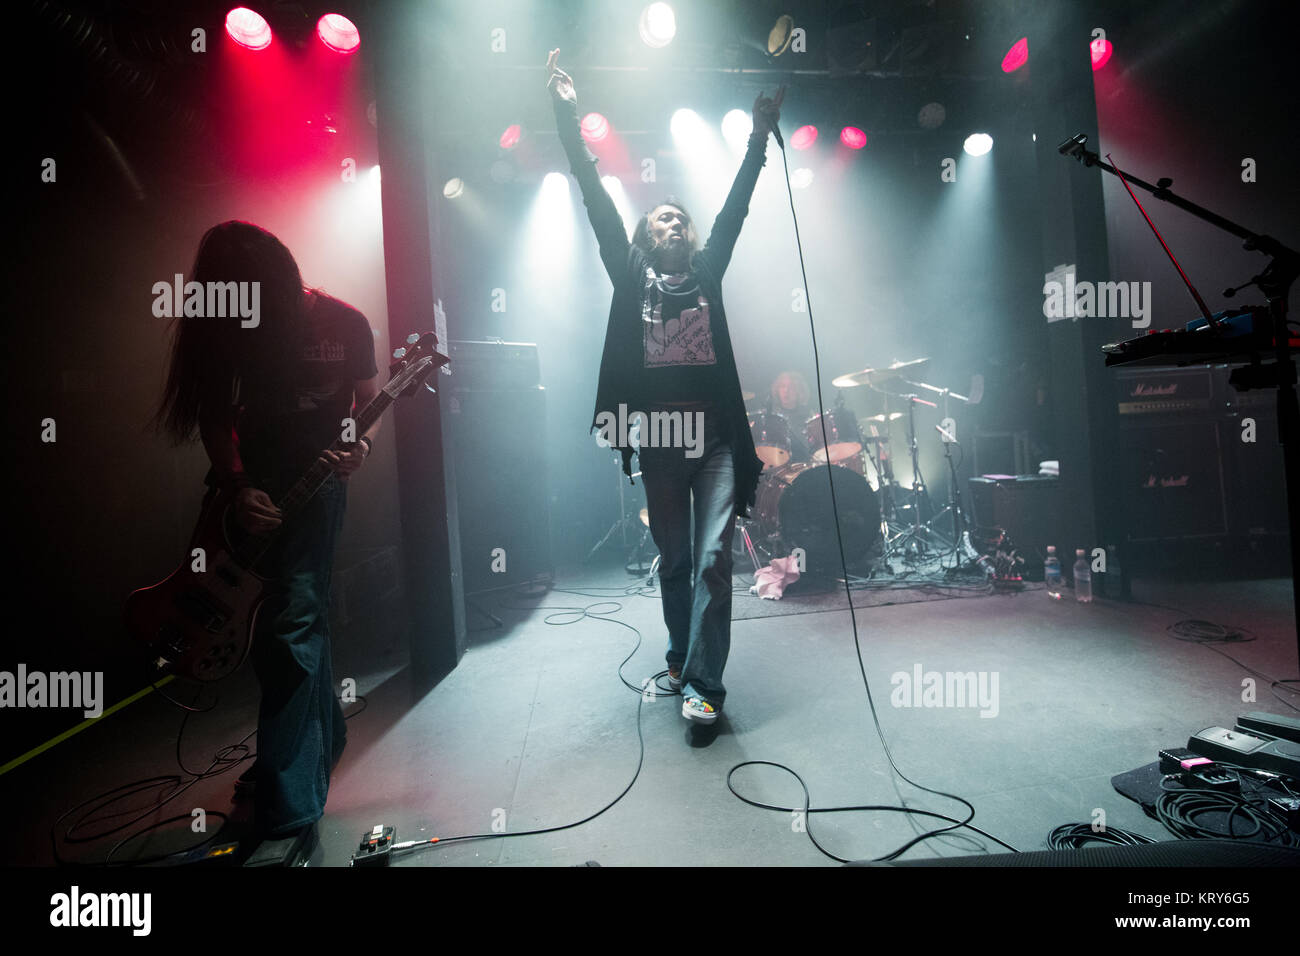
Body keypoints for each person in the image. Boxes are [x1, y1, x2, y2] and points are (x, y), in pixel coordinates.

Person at [547, 50, 781, 725]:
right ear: (648, 238)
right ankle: (681, 654)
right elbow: (594, 199)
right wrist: (567, 117)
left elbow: (736, 207)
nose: (674, 224)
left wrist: (759, 137)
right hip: (658, 440)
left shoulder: (707, 273)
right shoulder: (631, 276)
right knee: (674, 561)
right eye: (662, 220)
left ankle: (705, 684)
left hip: (715, 440)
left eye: (681, 218)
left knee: (712, 559)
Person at [153, 220, 379, 839]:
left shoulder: (343, 322)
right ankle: (314, 747)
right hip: (246, 493)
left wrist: (362, 445)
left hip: (318, 487)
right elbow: (213, 415)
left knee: (292, 622)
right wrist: (237, 484)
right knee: (280, 622)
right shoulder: (228, 324)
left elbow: (366, 399)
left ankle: (289, 802)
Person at [769, 369, 813, 462]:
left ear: (799, 391)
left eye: (791, 387)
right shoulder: (772, 417)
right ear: (777, 390)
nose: (786, 390)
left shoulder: (809, 415)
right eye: (782, 386)